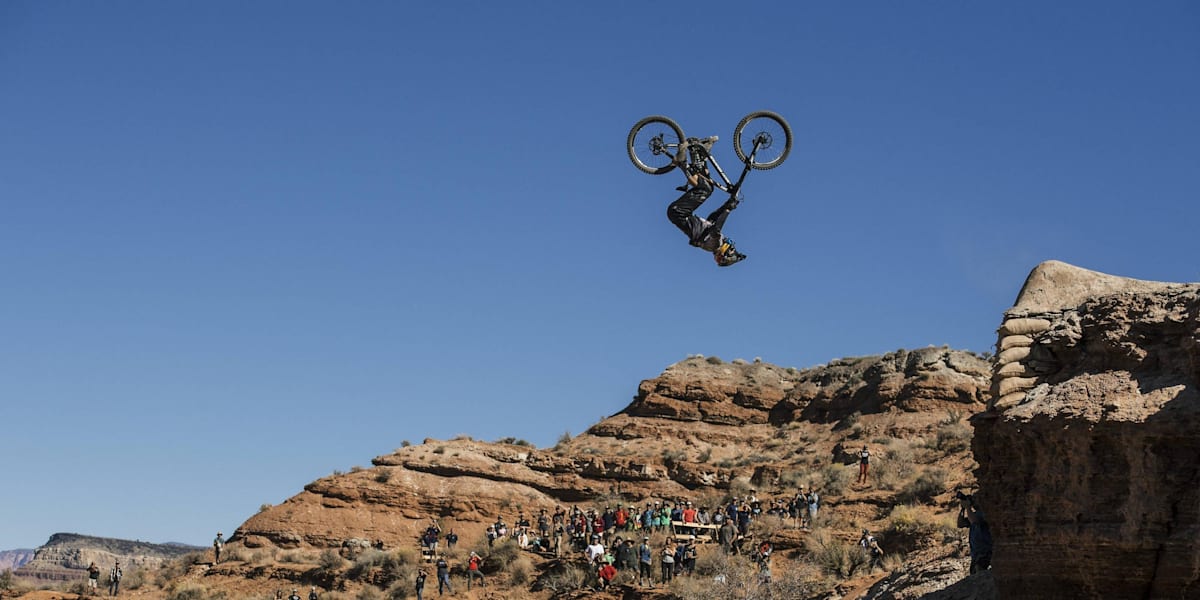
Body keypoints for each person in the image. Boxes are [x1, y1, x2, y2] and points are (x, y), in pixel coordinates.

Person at [666, 137, 746, 267]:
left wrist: (728, 210)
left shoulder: (713, 245)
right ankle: (700, 154)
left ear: (725, 253)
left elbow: (716, 227)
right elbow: (712, 218)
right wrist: (728, 204)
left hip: (679, 212)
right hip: (678, 212)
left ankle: (682, 162)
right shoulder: (711, 243)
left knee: (705, 190)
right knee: (708, 185)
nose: (732, 246)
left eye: (732, 249)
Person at [957, 492, 994, 574]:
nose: (973, 501)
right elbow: (960, 524)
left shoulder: (985, 513)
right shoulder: (973, 514)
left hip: (986, 551)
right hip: (976, 554)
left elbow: (974, 521)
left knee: (980, 572)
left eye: (975, 499)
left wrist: (968, 507)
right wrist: (963, 509)